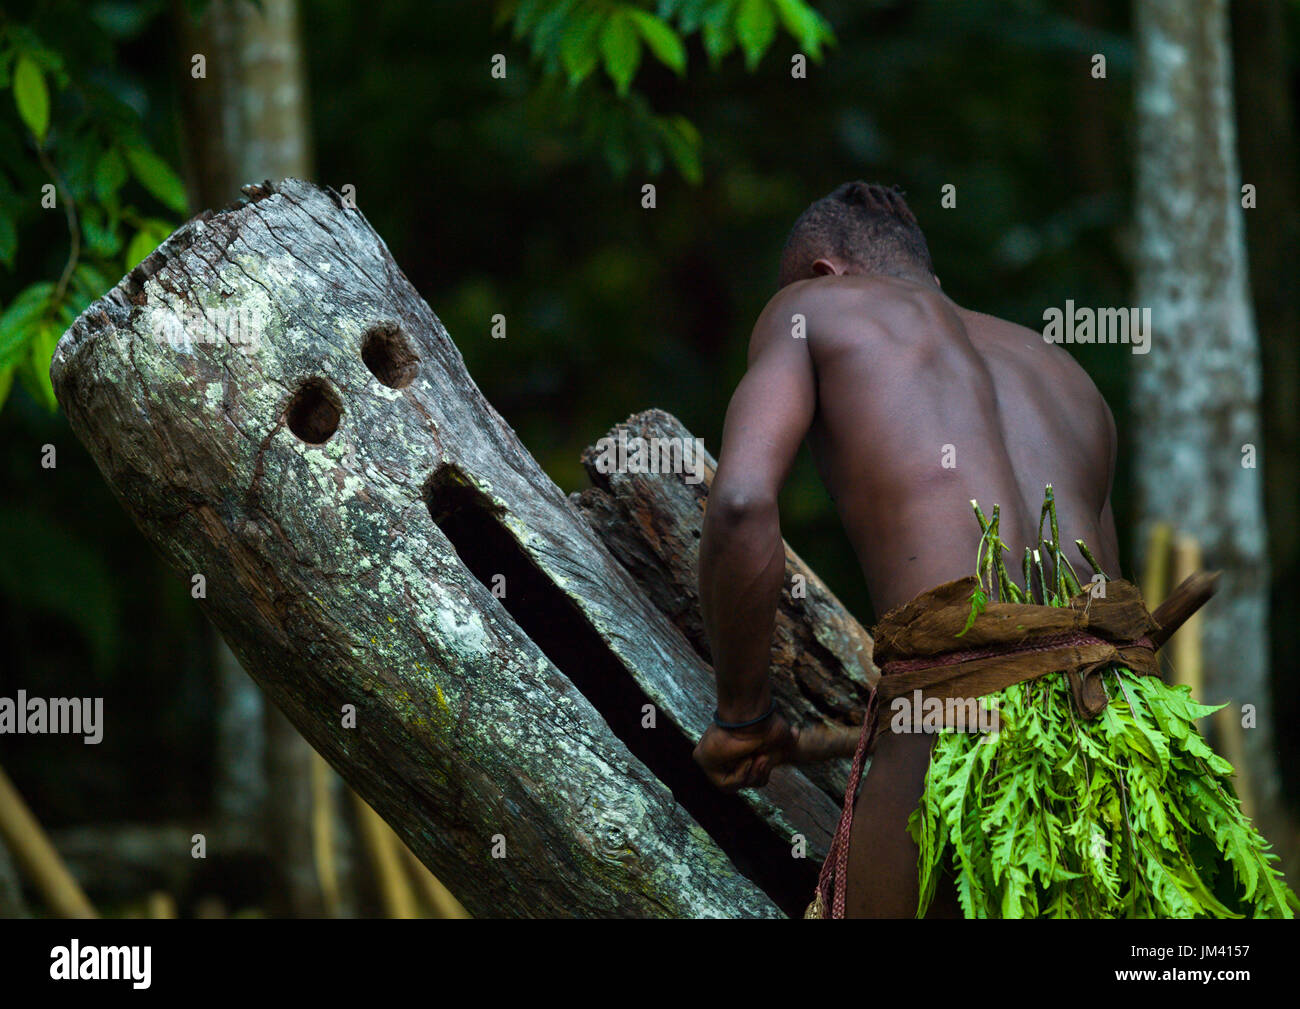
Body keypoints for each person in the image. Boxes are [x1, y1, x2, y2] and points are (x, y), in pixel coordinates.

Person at [690, 182, 1293, 919]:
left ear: (824, 273)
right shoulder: (1060, 370)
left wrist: (742, 718)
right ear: (932, 279)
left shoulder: (809, 311)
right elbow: (1107, 624)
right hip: (1126, 743)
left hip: (956, 718)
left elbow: (743, 503)